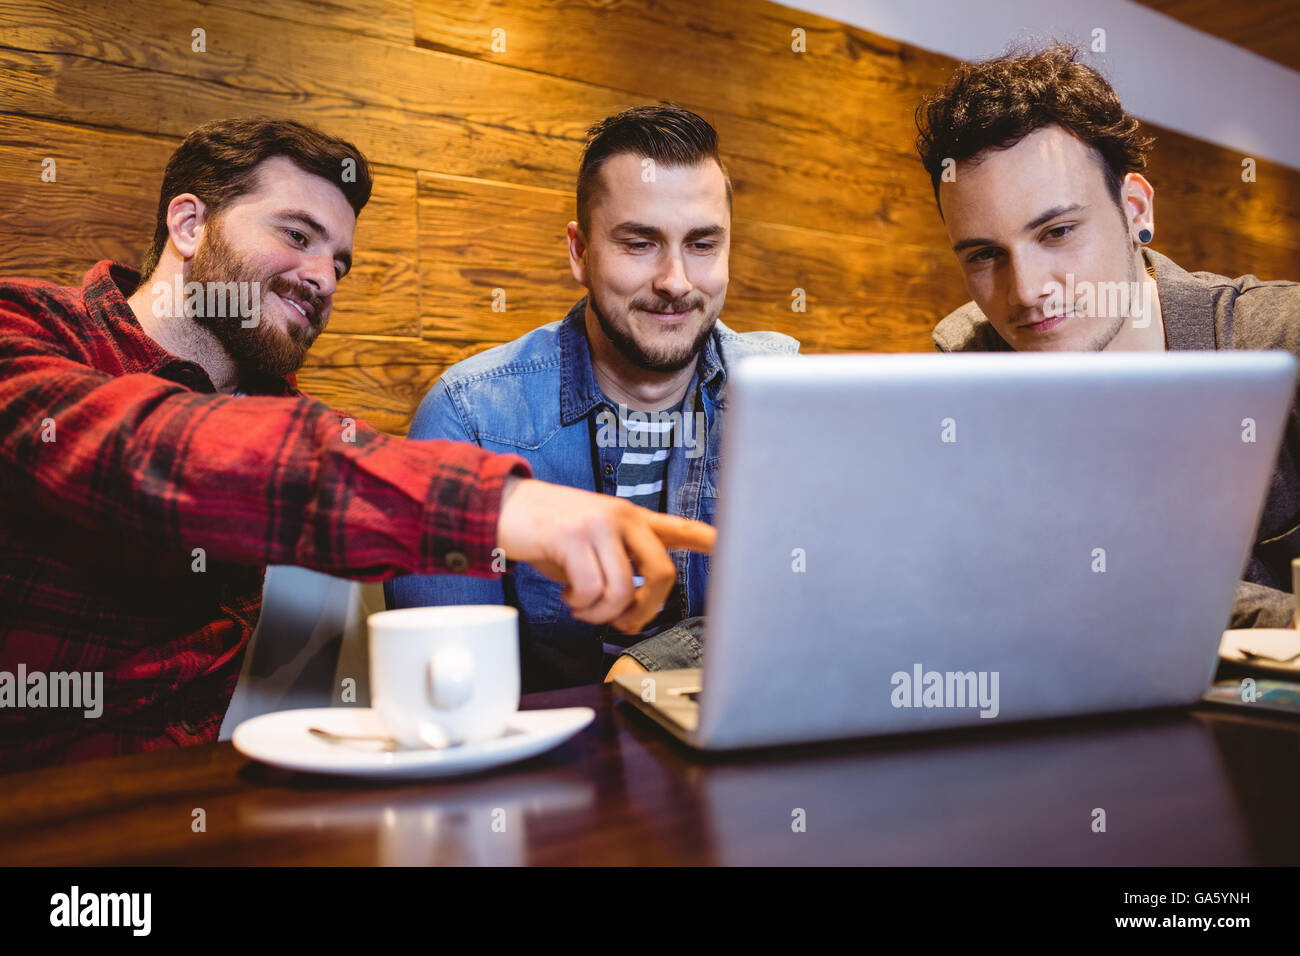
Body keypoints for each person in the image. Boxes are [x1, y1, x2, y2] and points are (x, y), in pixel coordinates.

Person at [0, 117, 713, 772]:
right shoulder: (25, 333)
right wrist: (503, 506)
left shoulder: (292, 419)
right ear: (190, 223)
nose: (321, 277)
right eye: (298, 236)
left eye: (339, 262)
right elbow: (158, 449)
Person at [389, 106, 798, 691]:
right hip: (547, 771)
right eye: (640, 243)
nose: (677, 281)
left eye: (703, 244)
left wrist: (656, 663)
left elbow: (827, 608)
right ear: (580, 252)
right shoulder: (468, 415)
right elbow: (449, 686)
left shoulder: (786, 401)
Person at [914, 43, 1300, 627]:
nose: (1026, 291)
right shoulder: (970, 360)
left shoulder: (1280, 339)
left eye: (1058, 231)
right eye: (985, 255)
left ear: (1137, 208)